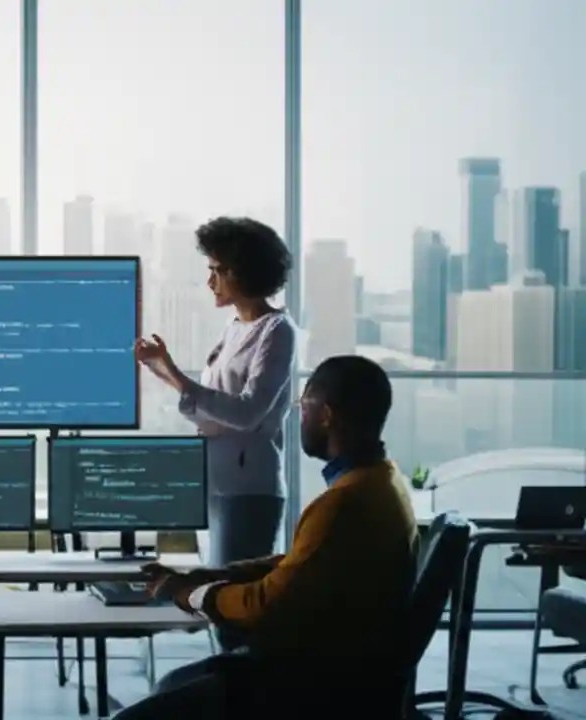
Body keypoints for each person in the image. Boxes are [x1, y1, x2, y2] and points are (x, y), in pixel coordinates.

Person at [114, 356, 419, 719]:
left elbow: (264, 606)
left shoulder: (343, 502)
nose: (298, 417)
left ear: (326, 415)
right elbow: (302, 564)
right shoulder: (383, 482)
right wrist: (213, 575)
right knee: (175, 684)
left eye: (303, 406)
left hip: (310, 684)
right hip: (343, 668)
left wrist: (188, 594)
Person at [134, 216, 295, 646]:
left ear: (245, 271)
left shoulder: (277, 332)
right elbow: (212, 411)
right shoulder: (234, 329)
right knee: (215, 606)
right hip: (219, 482)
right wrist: (166, 371)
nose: (210, 281)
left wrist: (182, 382)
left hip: (249, 487)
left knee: (233, 614)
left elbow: (246, 413)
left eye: (217, 270)